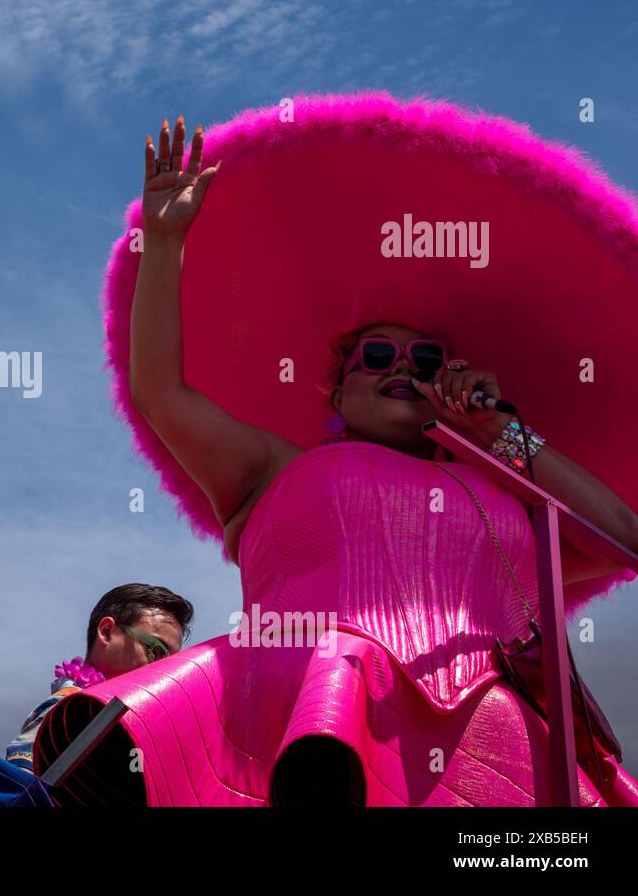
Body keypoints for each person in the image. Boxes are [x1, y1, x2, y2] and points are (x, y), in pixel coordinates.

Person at [100, 114, 638, 804]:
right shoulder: (276, 466)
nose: (402, 368)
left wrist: (502, 433)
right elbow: (160, 391)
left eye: (425, 360)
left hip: (490, 752)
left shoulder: (500, 492)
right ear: (337, 388)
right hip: (305, 732)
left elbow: (621, 538)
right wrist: (166, 239)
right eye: (377, 355)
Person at [6, 583, 192, 772]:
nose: (163, 670)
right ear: (106, 631)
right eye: (157, 650)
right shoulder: (69, 710)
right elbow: (19, 783)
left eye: (171, 662)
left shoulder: (136, 731)